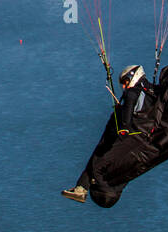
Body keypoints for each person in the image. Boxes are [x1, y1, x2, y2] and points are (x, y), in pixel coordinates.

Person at [62, 65, 159, 202]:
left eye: (125, 83)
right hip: (140, 134)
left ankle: (99, 187)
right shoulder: (150, 89)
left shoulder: (132, 93)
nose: (124, 87)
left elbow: (129, 107)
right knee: (99, 155)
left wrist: (124, 127)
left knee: (99, 162)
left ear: (133, 77)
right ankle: (81, 187)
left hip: (132, 134)